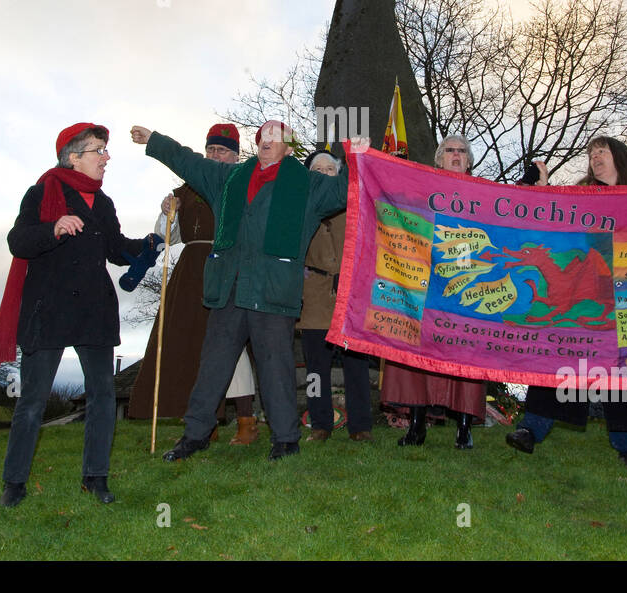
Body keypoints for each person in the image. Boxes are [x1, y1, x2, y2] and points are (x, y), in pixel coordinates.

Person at [130, 121, 361, 462]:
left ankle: (285, 439)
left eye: (275, 136)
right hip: (230, 289)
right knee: (213, 365)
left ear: (287, 146)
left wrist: (357, 155)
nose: (267, 140)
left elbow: (348, 189)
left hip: (273, 291)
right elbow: (189, 161)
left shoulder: (308, 185)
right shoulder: (229, 179)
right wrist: (156, 141)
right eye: (262, 136)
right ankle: (195, 435)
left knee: (275, 367)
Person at [0, 122, 155, 507]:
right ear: (74, 157)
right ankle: (14, 484)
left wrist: (149, 243)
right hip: (48, 308)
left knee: (101, 395)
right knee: (32, 401)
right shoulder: (42, 192)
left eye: (105, 150)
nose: (107, 157)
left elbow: (116, 249)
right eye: (99, 150)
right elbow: (19, 241)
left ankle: (95, 478)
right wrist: (54, 227)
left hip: (94, 309)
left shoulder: (105, 202)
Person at [505, 136, 627, 466]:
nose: (595, 157)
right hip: (585, 285)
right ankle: (531, 428)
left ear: (620, 157)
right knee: (562, 347)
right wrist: (545, 192)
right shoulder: (582, 195)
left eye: (602, 151)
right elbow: (555, 224)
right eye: (591, 153)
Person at [127, 123, 260, 442]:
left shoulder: (245, 183)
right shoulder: (183, 191)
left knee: (231, 344)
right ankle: (203, 422)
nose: (215, 155)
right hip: (191, 274)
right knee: (188, 346)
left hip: (230, 268)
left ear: (234, 155)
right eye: (211, 150)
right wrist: (166, 213)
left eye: (222, 150)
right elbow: (166, 237)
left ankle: (246, 420)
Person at [382, 134, 487, 449]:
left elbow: (515, 212)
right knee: (416, 352)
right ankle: (416, 426)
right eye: (449, 150)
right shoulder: (421, 187)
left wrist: (531, 181)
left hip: (468, 282)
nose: (456, 154)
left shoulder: (485, 193)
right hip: (425, 281)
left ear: (468, 161)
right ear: (438, 159)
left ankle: (464, 428)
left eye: (462, 151)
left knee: (466, 356)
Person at [298, 150, 373, 442]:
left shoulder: (355, 202)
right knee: (316, 365)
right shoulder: (300, 208)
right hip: (314, 291)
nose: (324, 174)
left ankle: (361, 426)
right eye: (317, 169)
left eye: (330, 169)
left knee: (356, 363)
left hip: (349, 290)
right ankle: (320, 424)